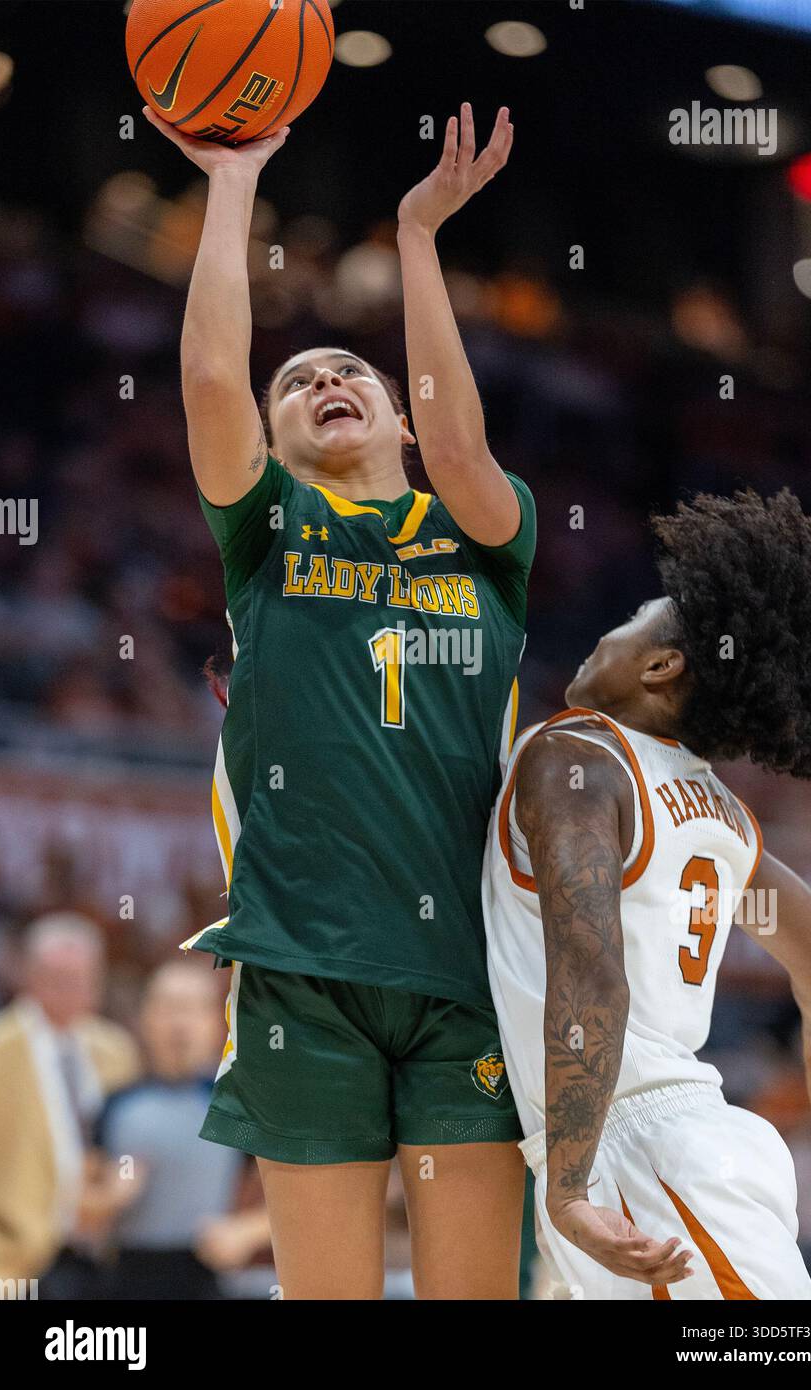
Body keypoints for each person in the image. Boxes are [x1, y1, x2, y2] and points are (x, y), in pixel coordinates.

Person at [142, 100, 534, 1299]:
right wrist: (229, 179)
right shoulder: (266, 530)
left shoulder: (480, 532)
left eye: (348, 368)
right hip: (300, 969)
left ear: (401, 415)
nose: (322, 378)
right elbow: (212, 373)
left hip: (462, 972)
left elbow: (463, 448)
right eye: (298, 380)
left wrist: (417, 237)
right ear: (271, 440)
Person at [483, 488, 811, 1300]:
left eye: (631, 623)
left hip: (632, 1147)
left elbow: (594, 974)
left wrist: (572, 1183)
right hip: (676, 1142)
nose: (600, 633)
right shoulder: (722, 822)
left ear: (660, 666)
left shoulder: (576, 761)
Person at [96, 961, 271, 1300]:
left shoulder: (237, 1106)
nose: (180, 1023)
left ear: (216, 1023)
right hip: (124, 1278)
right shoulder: (116, 1106)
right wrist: (108, 1199)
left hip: (205, 1278)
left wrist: (244, 1232)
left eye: (193, 1009)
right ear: (145, 1019)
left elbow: (296, 1198)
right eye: (169, 1008)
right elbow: (74, 1206)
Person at [0, 913, 140, 1293]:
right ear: (28, 977)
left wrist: (114, 1189)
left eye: (81, 980)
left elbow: (124, 1144)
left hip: (101, 1250)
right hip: (16, 1256)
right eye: (58, 980)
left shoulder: (116, 1049)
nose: (72, 991)